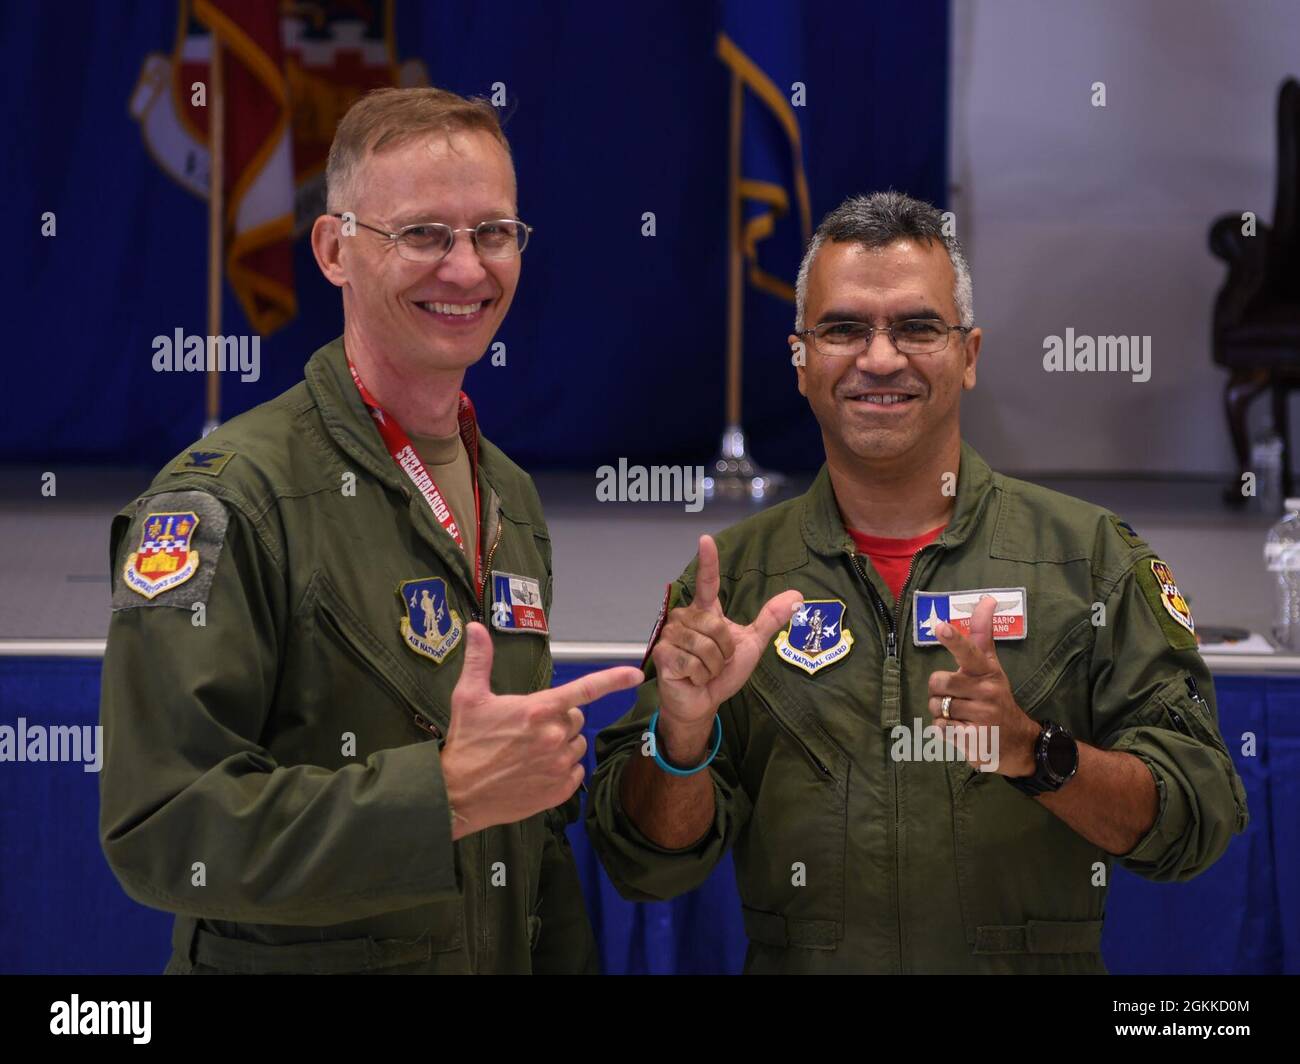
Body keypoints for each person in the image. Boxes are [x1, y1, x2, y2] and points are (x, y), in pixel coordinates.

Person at [586, 191, 1248, 974]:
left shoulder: (1091, 561)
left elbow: (1199, 815)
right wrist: (684, 740)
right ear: (800, 361)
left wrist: (1037, 752)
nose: (879, 358)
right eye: (843, 329)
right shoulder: (730, 586)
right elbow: (650, 864)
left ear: (969, 356)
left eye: (916, 327)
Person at [99, 87, 641, 975]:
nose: (466, 269)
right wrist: (441, 796)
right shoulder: (226, 504)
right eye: (423, 234)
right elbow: (162, 828)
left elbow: (530, 842)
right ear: (333, 248)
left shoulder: (509, 497)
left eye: (494, 233)